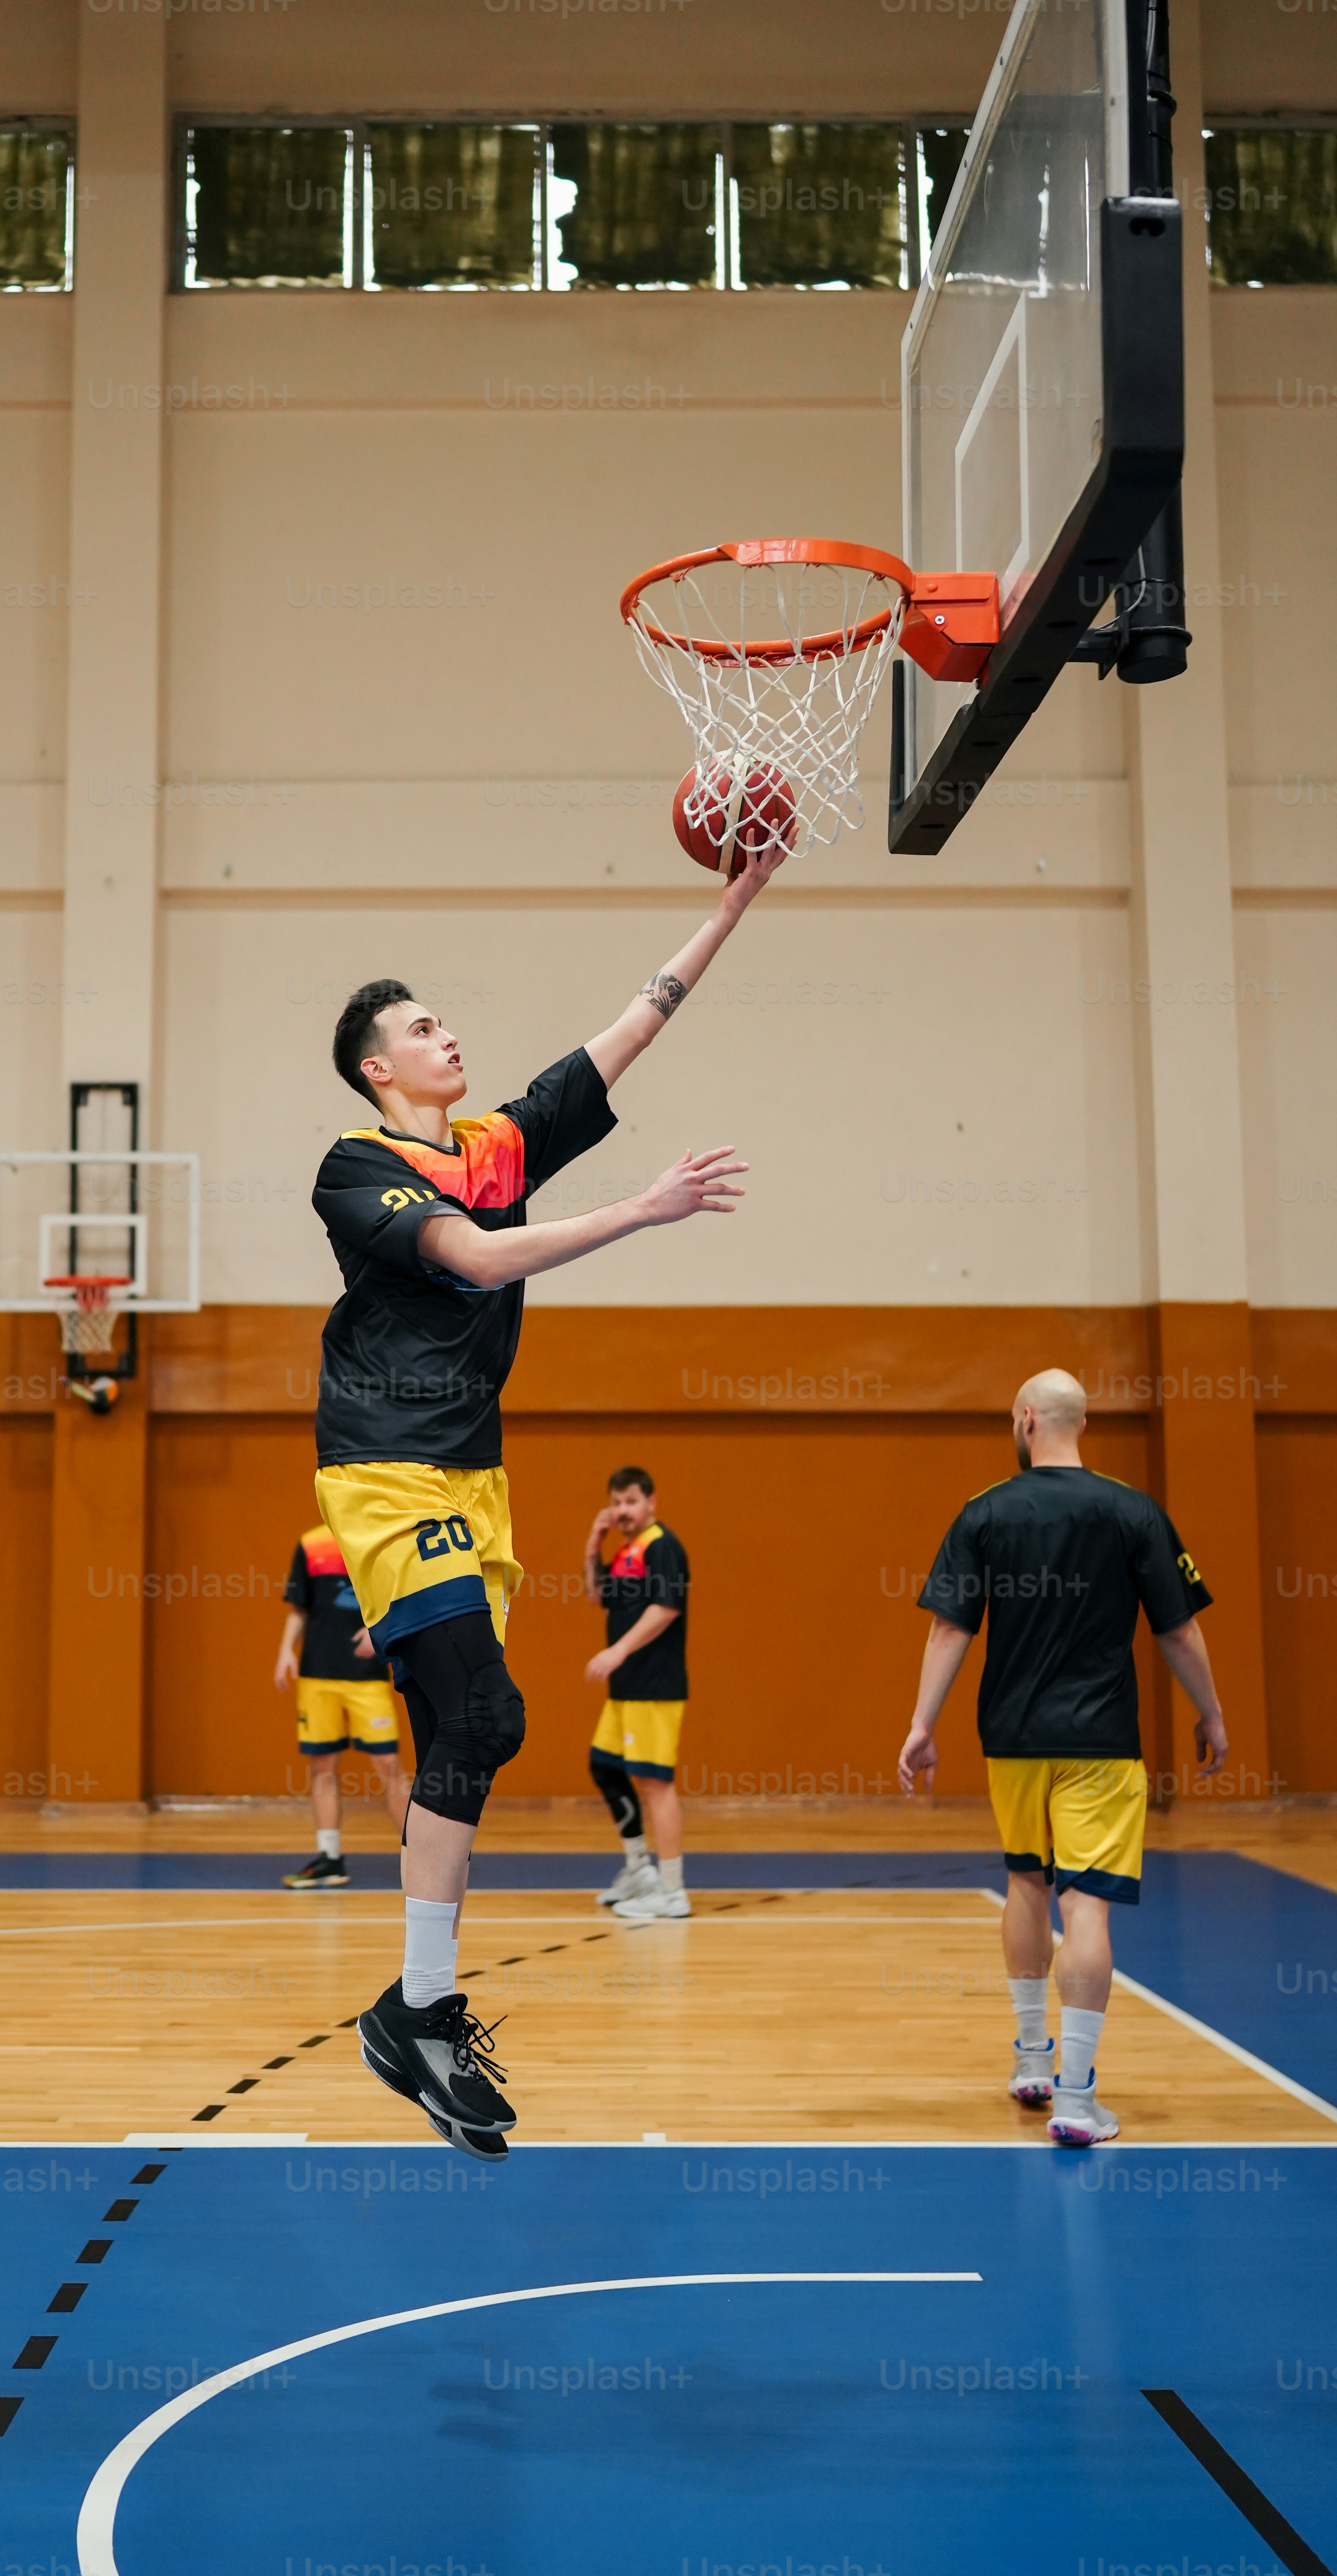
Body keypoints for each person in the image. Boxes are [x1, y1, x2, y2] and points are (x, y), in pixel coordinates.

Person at [311, 839, 783, 2157]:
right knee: (486, 1709)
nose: (442, 1033)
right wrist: (639, 1212)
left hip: (472, 1470)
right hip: (385, 1461)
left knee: (474, 1725)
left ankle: (413, 2014)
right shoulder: (356, 1169)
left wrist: (727, 907)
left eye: (443, 1020)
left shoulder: (499, 1140)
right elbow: (468, 1255)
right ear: (374, 1067)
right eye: (418, 1027)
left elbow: (622, 1035)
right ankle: (418, 2010)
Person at [897, 1367, 1228, 2147]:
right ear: (1079, 1422)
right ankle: (1077, 2099)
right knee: (1084, 1905)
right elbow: (1176, 1630)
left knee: (1024, 1879)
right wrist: (1209, 1710)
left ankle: (1029, 2059)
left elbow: (949, 1629)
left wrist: (920, 1723)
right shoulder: (1132, 1510)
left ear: (1023, 1421)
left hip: (1010, 1737)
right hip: (1100, 1742)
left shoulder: (983, 1511)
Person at [584, 1466, 692, 1919]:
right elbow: (595, 1595)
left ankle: (671, 1892)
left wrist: (618, 1651)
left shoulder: (662, 1546)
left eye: (630, 1501)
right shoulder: (627, 1550)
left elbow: (667, 1606)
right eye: (616, 1502)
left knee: (655, 1784)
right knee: (605, 1768)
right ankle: (637, 1871)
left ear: (650, 1502)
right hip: (625, 1691)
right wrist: (594, 1542)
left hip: (654, 1685)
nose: (622, 1510)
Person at [275, 1521, 409, 1888]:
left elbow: (403, 1601)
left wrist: (379, 1631)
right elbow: (298, 1609)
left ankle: (422, 1851)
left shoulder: (383, 1539)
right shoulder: (311, 1543)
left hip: (367, 1675)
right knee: (322, 1765)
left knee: (389, 1764)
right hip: (318, 1674)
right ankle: (330, 1858)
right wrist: (286, 1650)